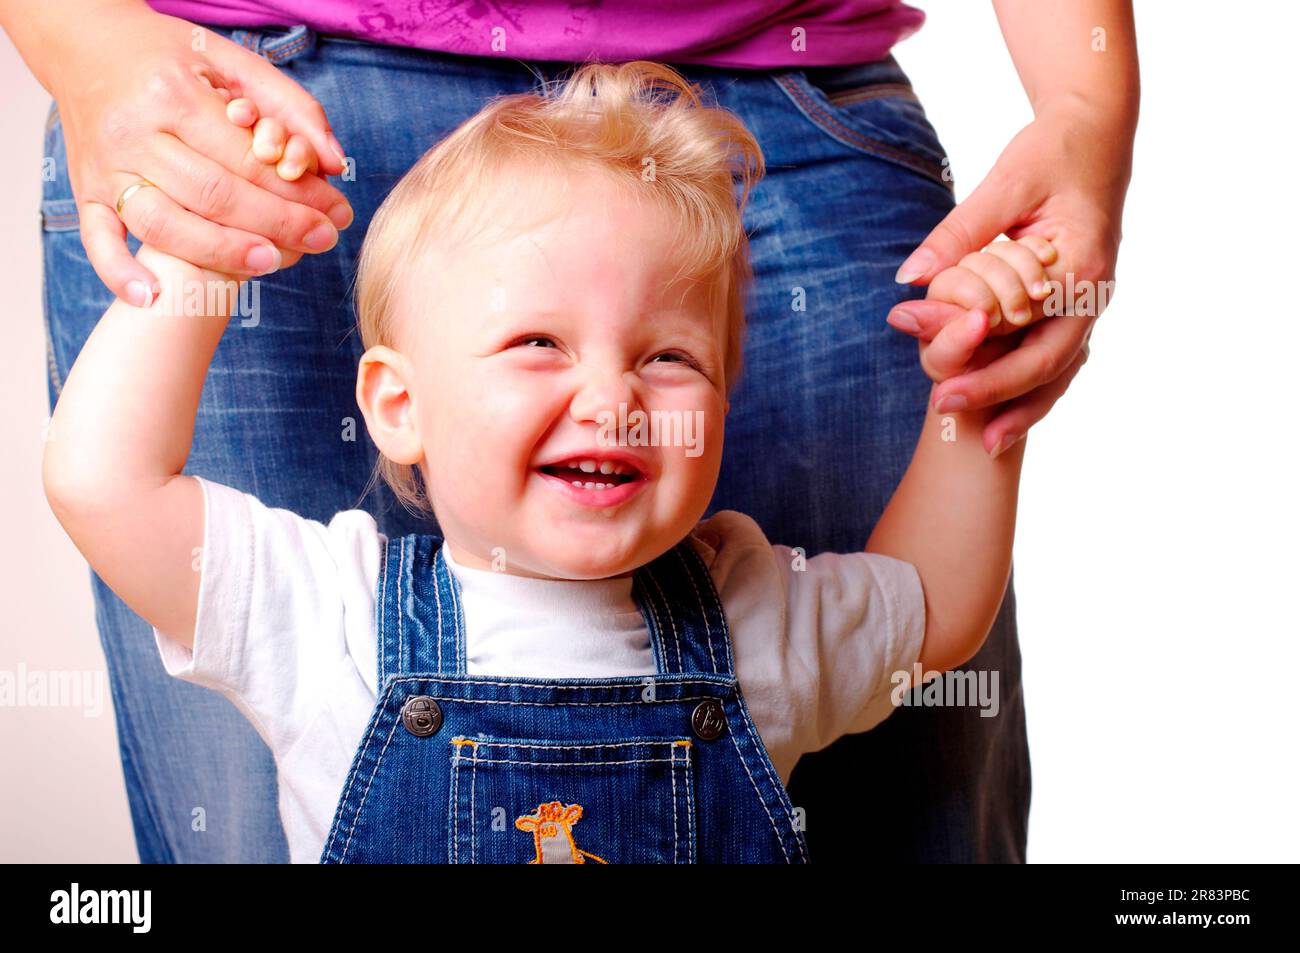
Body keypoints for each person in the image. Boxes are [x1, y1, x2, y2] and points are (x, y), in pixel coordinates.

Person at [8, 0, 1138, 862]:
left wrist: (970, 392)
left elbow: (933, 608)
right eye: (539, 345)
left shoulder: (757, 613)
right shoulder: (320, 613)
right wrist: (201, 258)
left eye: (668, 357)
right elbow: (106, 486)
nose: (612, 399)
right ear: (398, 404)